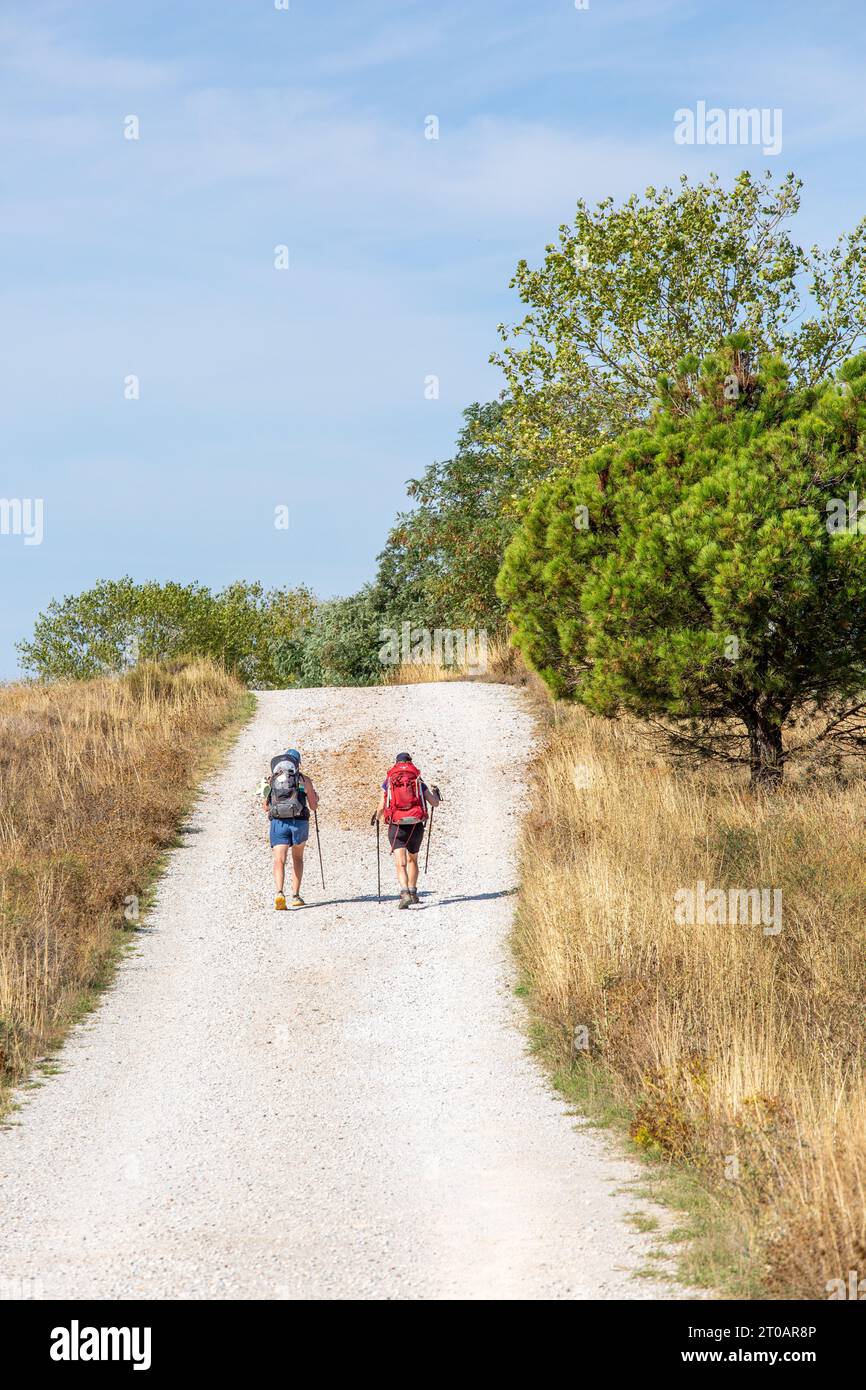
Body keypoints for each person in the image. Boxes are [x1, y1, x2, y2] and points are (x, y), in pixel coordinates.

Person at [372, 753, 440, 908]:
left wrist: (377, 817)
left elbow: (382, 805)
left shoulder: (389, 781)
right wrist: (436, 795)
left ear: (396, 763)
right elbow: (434, 803)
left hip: (397, 825)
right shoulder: (417, 780)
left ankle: (405, 893)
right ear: (410, 763)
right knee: (413, 859)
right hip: (416, 824)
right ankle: (413, 892)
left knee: (400, 863)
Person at [261, 748, 319, 910]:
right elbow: (313, 806)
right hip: (299, 823)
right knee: (297, 859)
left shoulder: (271, 779)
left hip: (278, 823)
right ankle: (296, 895)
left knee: (279, 860)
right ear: (297, 763)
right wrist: (314, 798)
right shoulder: (303, 779)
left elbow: (266, 807)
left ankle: (279, 893)